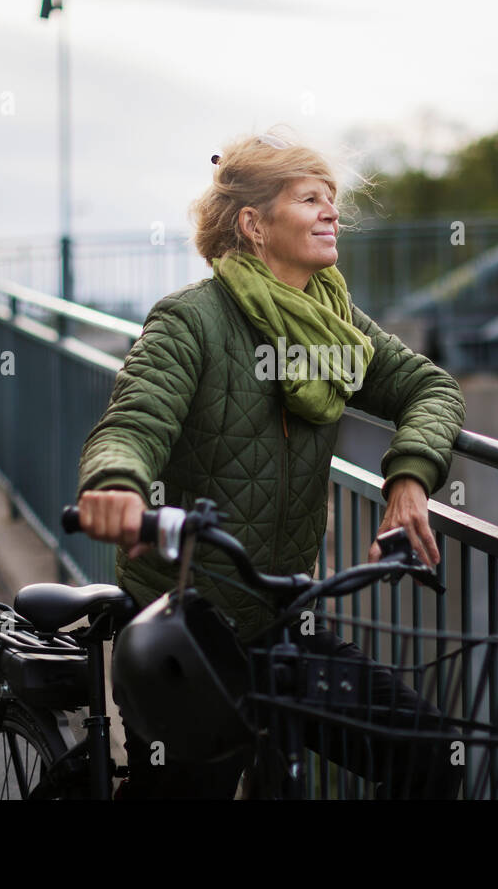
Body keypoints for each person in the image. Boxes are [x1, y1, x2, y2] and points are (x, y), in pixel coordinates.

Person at [75, 127, 466, 798]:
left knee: (430, 755)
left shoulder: (334, 324)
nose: (330, 212)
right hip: (186, 628)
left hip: (282, 616)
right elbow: (135, 421)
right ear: (253, 225)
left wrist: (408, 478)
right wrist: (116, 484)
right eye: (311, 199)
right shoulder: (190, 320)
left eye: (332, 200)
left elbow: (431, 387)